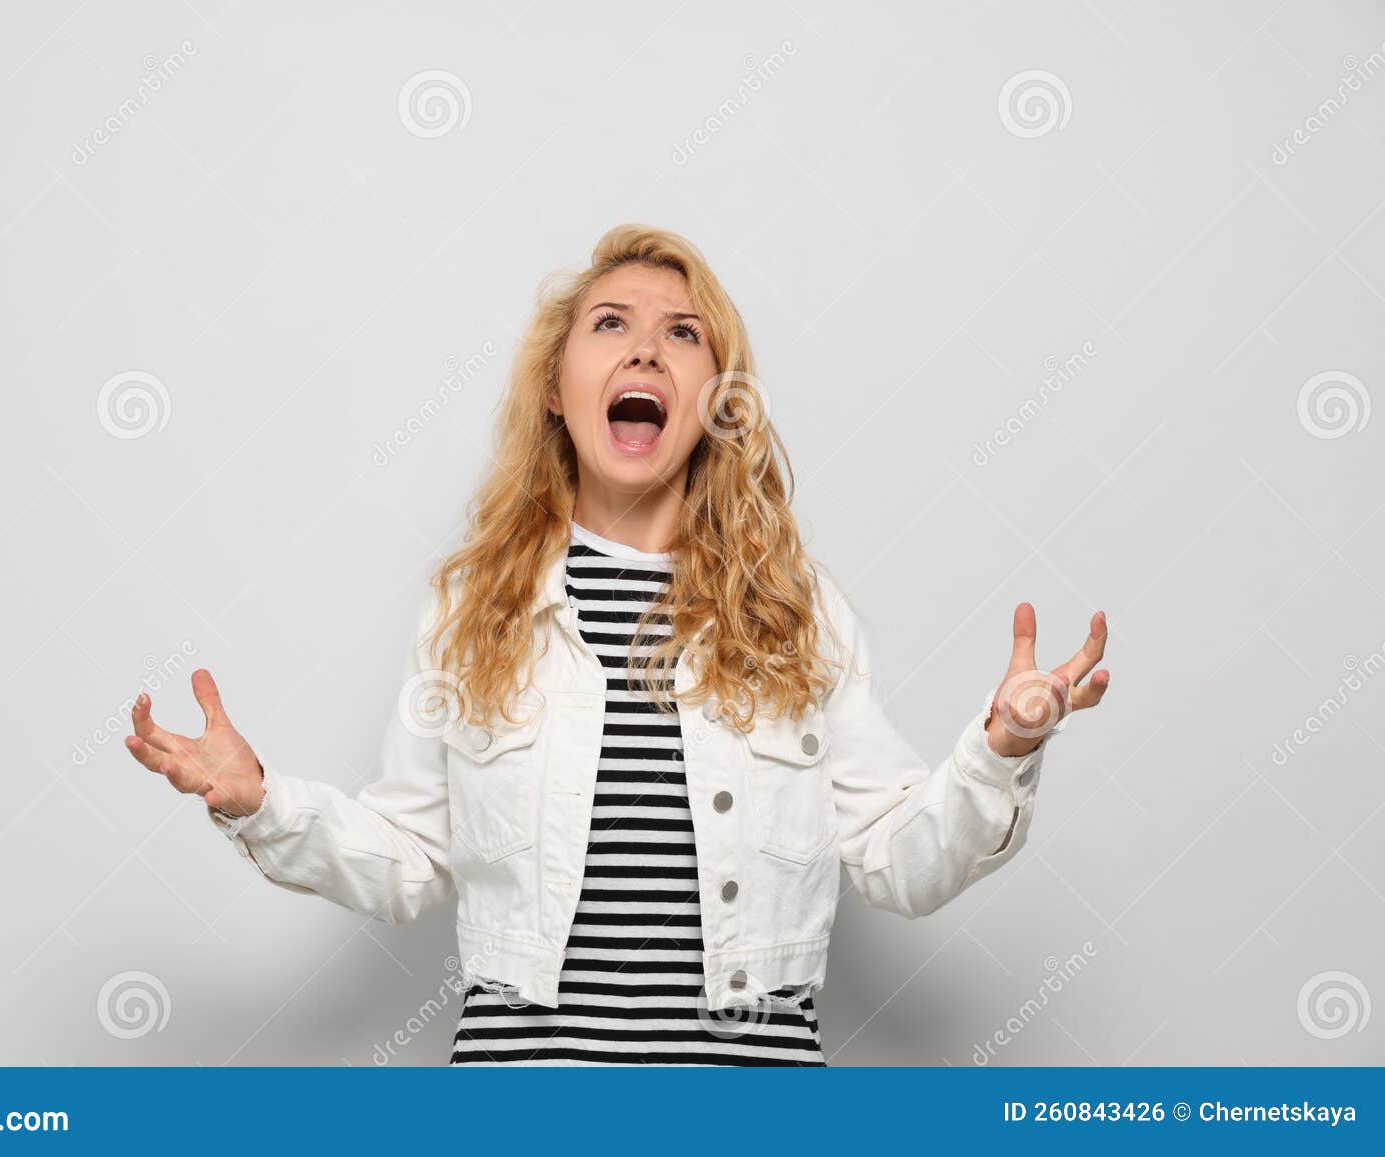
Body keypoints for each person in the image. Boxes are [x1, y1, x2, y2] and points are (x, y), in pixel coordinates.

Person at [124, 223, 1111, 1065]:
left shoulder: (795, 609)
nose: (645, 351)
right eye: (611, 326)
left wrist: (1001, 750)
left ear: (717, 400)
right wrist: (262, 802)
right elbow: (409, 856)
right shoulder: (473, 606)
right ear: (558, 389)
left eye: (681, 334)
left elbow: (901, 859)